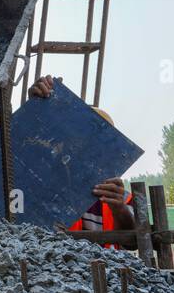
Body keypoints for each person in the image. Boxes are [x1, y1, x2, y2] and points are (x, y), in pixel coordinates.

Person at [28, 75, 134, 240]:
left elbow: (133, 241)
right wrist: (36, 109)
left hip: (102, 265)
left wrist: (119, 209)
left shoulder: (120, 196)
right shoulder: (45, 185)